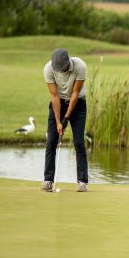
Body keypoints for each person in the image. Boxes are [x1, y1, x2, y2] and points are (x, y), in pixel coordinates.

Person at [41, 48, 89, 192]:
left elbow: (75, 94)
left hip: (78, 104)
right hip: (58, 104)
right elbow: (54, 96)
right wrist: (58, 121)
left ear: (68, 62)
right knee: (51, 141)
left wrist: (66, 118)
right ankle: (48, 180)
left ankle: (82, 182)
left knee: (79, 142)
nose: (61, 71)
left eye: (62, 68)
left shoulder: (80, 66)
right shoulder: (49, 68)